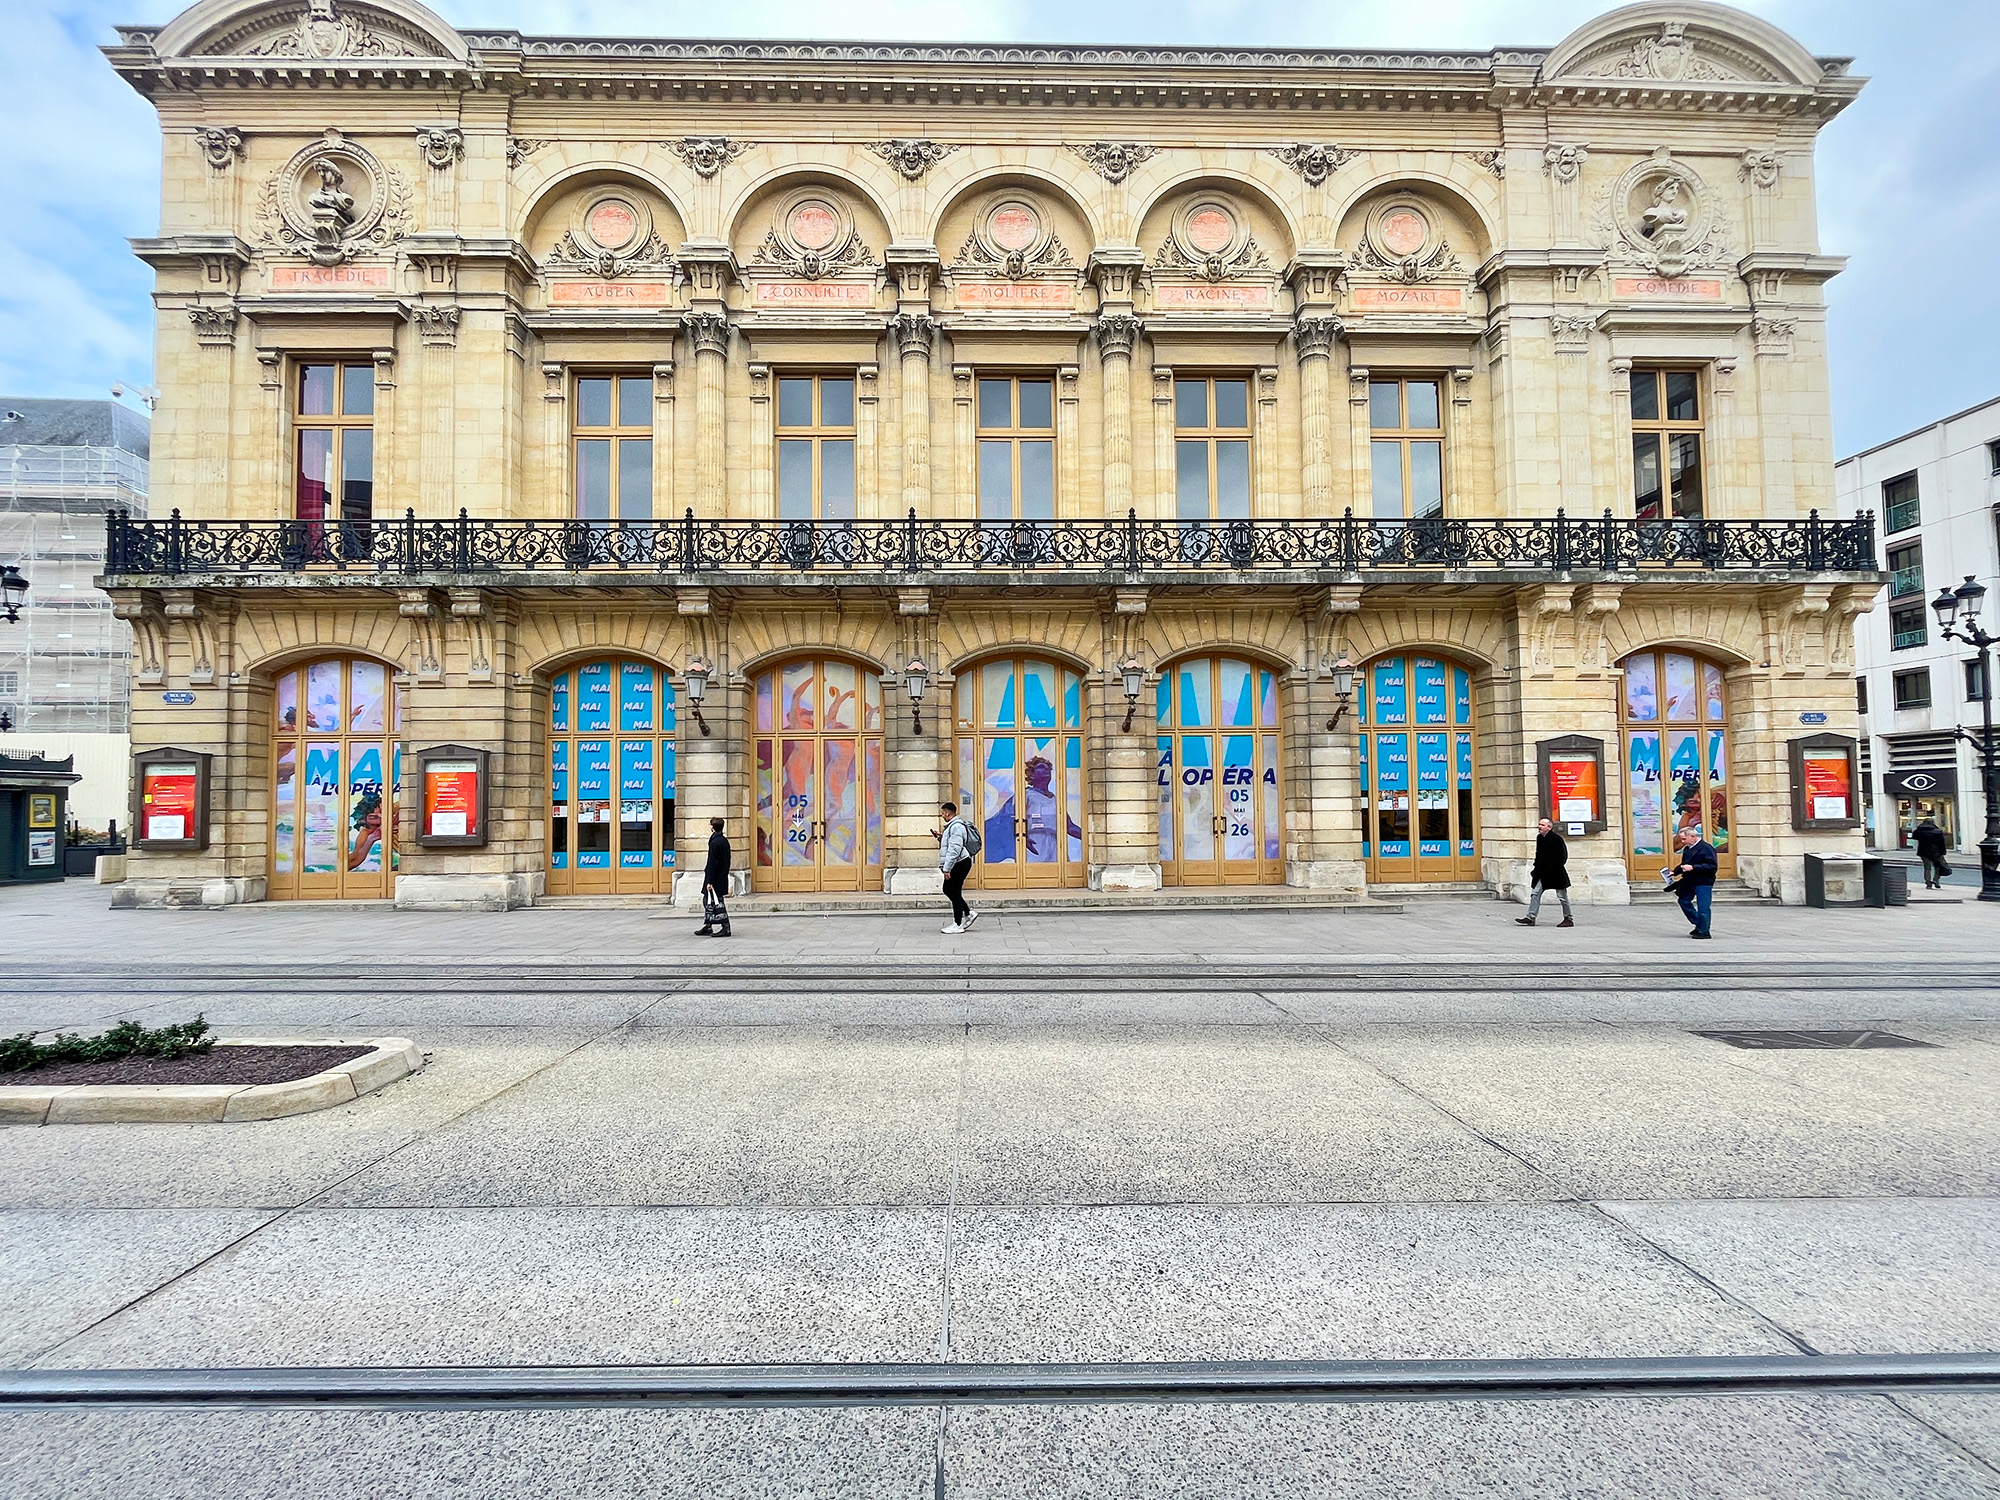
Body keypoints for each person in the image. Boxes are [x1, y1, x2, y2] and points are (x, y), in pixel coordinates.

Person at [1516, 817, 1573, 928]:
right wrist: (1536, 868)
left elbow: (1562, 857)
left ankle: (1568, 918)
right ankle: (1530, 917)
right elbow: (1539, 855)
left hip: (1556, 873)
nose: (1540, 827)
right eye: (1539, 824)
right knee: (1535, 893)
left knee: (1562, 896)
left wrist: (1553, 867)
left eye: (1542, 825)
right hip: (1542, 873)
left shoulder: (1557, 839)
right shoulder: (1540, 838)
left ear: (1549, 827)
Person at [934, 801, 978, 934]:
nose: (942, 815)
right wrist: (941, 838)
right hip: (958, 862)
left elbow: (955, 849)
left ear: (947, 813)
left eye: (942, 813)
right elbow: (951, 844)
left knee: (952, 890)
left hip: (960, 862)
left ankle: (958, 923)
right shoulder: (952, 826)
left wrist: (947, 868)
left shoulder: (956, 826)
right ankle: (967, 913)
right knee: (950, 890)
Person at [1672, 826, 1717, 939]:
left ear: (1693, 836)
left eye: (1684, 839)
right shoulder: (1688, 849)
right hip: (1690, 881)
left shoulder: (1706, 848)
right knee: (1683, 900)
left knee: (1703, 906)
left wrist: (1693, 867)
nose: (1683, 842)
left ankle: (1704, 931)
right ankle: (1700, 923)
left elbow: (1712, 866)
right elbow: (1684, 863)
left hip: (1704, 882)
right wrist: (1675, 872)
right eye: (1681, 839)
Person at [695, 816, 731, 937]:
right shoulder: (722, 840)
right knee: (708, 900)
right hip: (720, 876)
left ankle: (726, 927)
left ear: (713, 827)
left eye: (711, 825)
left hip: (715, 877)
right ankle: (708, 925)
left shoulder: (716, 842)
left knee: (717, 902)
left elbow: (713, 862)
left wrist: (710, 881)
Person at [1912, 816, 1951, 889]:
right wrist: (1943, 852)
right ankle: (1936, 880)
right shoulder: (1937, 831)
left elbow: (1914, 837)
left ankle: (1928, 882)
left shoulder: (1919, 831)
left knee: (1927, 867)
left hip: (1923, 851)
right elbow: (1941, 843)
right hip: (1936, 852)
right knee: (1938, 866)